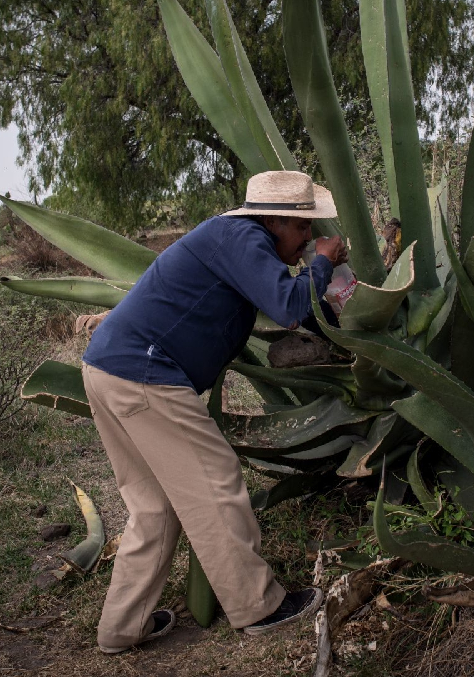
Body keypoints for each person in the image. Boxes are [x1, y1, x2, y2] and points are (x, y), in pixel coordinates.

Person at [80, 170, 349, 653]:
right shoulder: (239, 234)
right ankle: (259, 608)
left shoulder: (241, 242)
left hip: (108, 369)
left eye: (312, 230)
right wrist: (324, 263)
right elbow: (287, 306)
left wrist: (345, 331)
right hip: (145, 374)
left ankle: (122, 628)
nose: (309, 238)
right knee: (215, 482)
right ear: (274, 219)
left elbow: (301, 307)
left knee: (154, 508)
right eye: (303, 228)